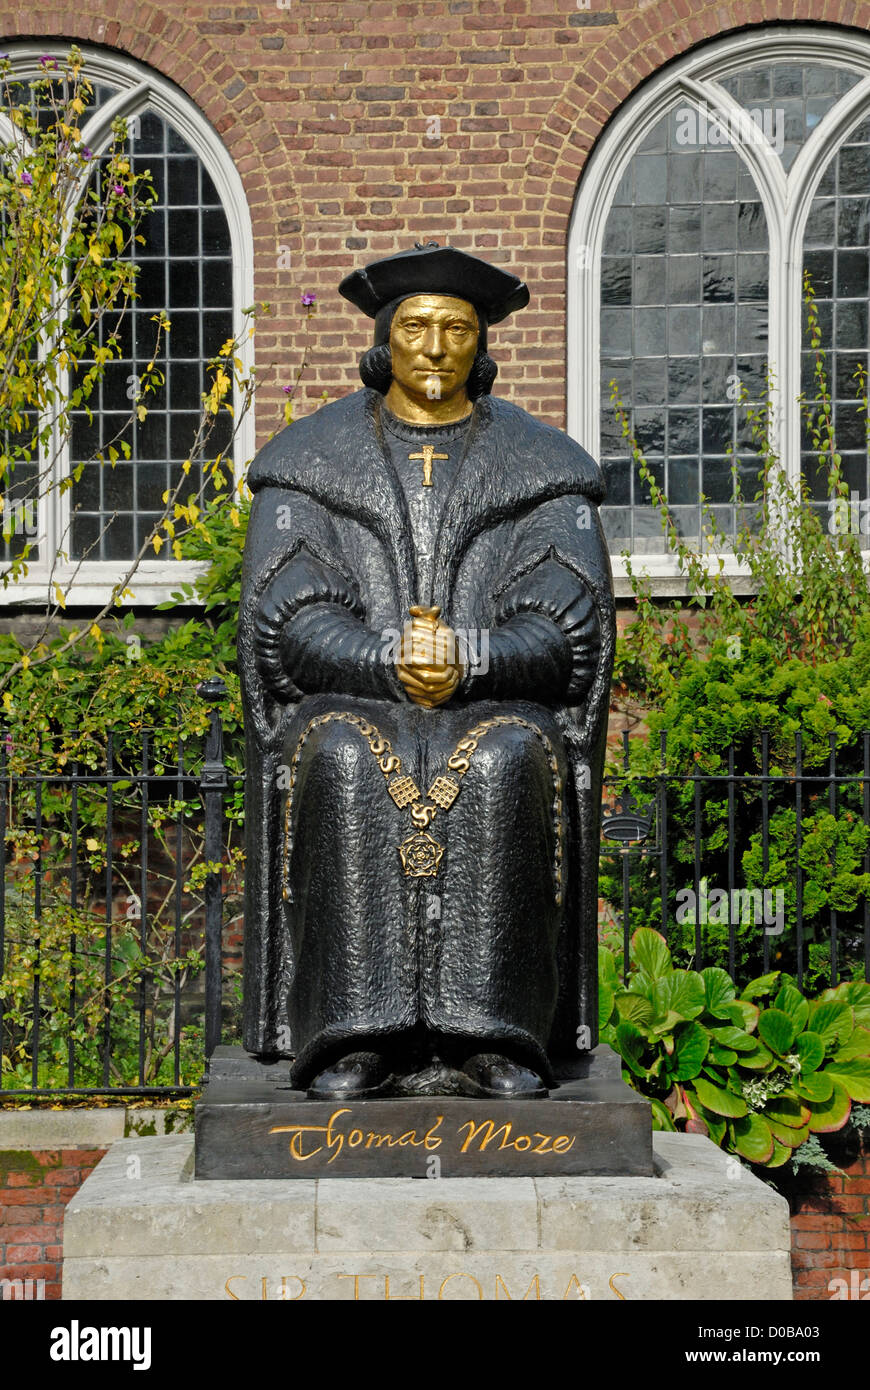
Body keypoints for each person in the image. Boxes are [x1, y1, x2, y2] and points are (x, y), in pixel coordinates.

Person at [238, 242, 614, 1100]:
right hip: (355, 696)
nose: (435, 346)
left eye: (455, 328)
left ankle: (495, 1034)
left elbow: (570, 616)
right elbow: (285, 610)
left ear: (481, 347)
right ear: (384, 341)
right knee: (339, 753)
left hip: (493, 700)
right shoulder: (309, 462)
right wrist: (383, 659)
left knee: (504, 760)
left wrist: (473, 656)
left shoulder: (545, 469)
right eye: (415, 327)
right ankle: (349, 1034)